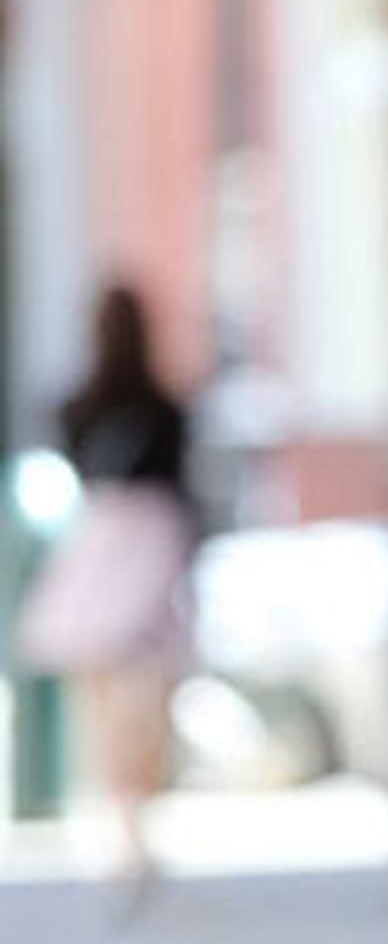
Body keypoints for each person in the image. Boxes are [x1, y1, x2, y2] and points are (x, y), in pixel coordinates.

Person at [15, 283, 200, 894]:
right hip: (148, 551)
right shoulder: (166, 409)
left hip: (100, 549)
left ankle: (125, 828)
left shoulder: (77, 408)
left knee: (105, 711)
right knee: (138, 706)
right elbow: (184, 491)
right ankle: (133, 830)